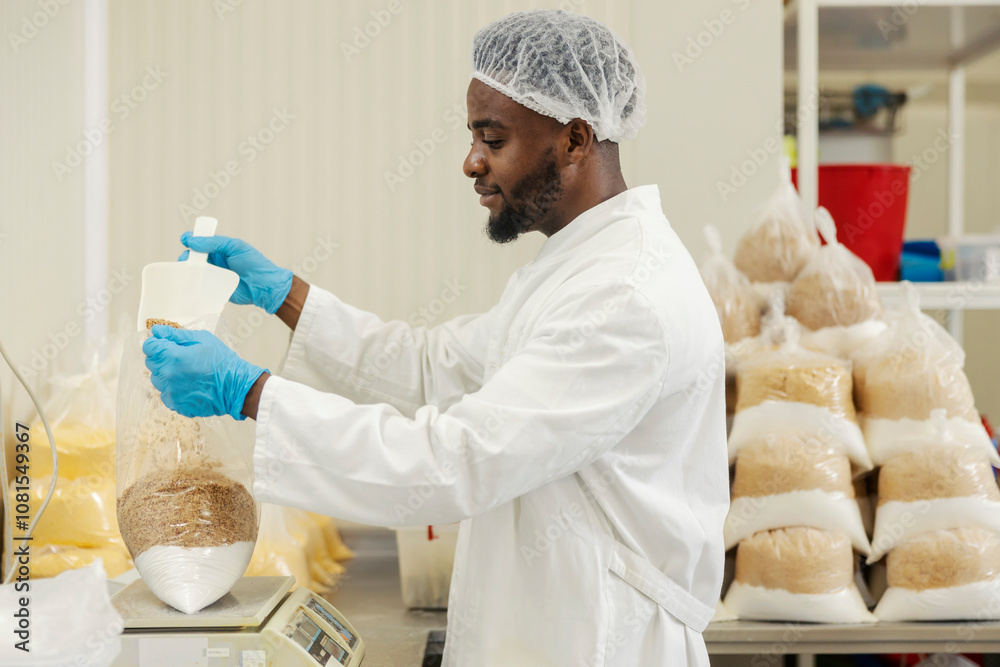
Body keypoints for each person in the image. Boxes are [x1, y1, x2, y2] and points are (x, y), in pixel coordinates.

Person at [143, 9, 728, 666]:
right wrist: (288, 297)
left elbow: (452, 462)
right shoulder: (577, 267)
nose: (470, 162)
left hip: (599, 639)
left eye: (494, 138)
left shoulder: (626, 296)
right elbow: (435, 367)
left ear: (574, 139)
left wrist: (246, 391)